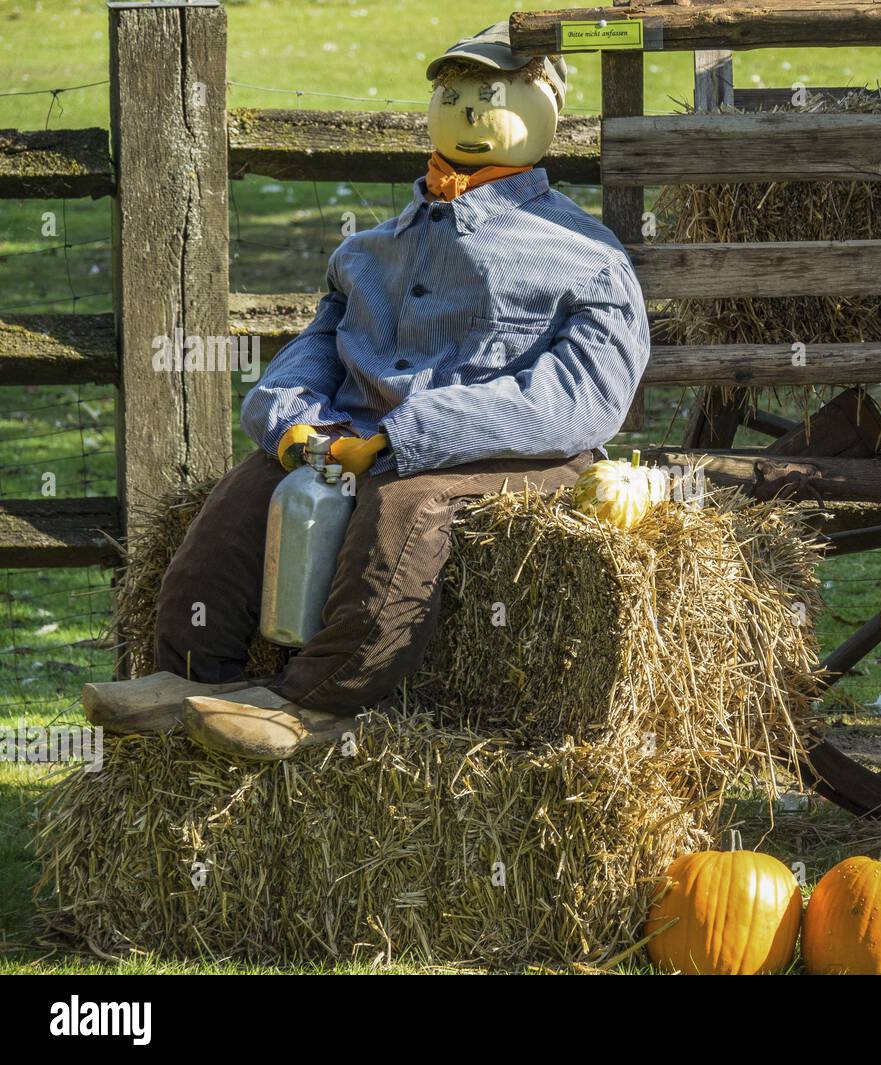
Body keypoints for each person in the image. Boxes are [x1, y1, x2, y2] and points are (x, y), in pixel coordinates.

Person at [84, 23, 650, 760]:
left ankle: (317, 699)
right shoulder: (371, 249)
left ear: (545, 102)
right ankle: (187, 672)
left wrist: (407, 437)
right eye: (452, 94)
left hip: (512, 449)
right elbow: (318, 348)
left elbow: (583, 397)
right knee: (250, 487)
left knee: (403, 503)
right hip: (359, 437)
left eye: (492, 93)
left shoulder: (586, 255)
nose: (471, 111)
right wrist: (289, 424)